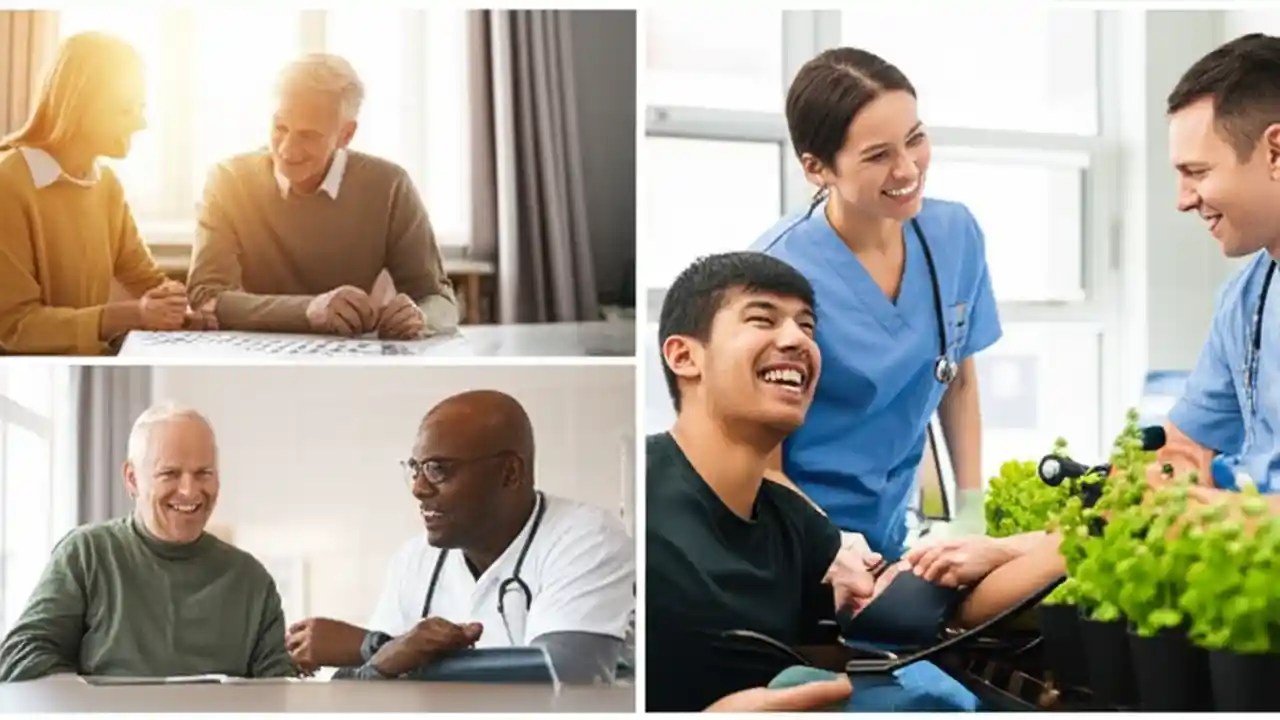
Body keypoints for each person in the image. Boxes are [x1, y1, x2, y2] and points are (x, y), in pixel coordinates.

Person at [648, 253, 1060, 712]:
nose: (796, 340)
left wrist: (1038, 545)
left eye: (807, 327)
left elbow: (935, 605)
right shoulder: (644, 500)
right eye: (762, 319)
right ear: (684, 356)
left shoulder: (790, 520)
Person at [750, 48, 1002, 561]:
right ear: (817, 168)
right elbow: (759, 457)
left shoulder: (955, 235)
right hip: (796, 542)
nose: (907, 168)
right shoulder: (772, 272)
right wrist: (829, 547)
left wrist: (971, 510)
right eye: (878, 155)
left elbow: (959, 378)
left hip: (895, 532)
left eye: (915, 139)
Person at [284, 390, 634, 684]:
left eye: (438, 469)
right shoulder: (414, 559)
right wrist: (385, 652)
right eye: (415, 469)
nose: (419, 489)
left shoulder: (588, 538)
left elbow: (566, 673)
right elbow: (366, 682)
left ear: (510, 473)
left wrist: (374, 647)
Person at [0, 405, 293, 681]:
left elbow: (278, 689)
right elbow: (20, 659)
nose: (189, 491)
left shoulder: (252, 579)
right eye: (170, 474)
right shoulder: (86, 554)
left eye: (204, 473)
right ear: (132, 479)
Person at [188, 54, 458, 339]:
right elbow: (206, 296)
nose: (287, 150)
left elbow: (440, 301)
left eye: (309, 135)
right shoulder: (228, 179)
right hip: (251, 357)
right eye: (280, 128)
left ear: (346, 134)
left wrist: (420, 317)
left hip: (349, 358)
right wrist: (309, 311)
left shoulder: (389, 185)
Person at [0, 32, 207, 355]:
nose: (141, 122)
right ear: (78, 105)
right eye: (125, 109)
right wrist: (131, 314)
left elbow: (144, 277)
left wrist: (182, 309)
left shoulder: (106, 184)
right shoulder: (7, 185)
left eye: (140, 107)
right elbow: (15, 328)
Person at [1149, 33, 1280, 515]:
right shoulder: (1245, 298)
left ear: (1276, 153)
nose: (1182, 199)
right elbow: (1185, 446)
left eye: (1197, 172)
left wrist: (1199, 510)